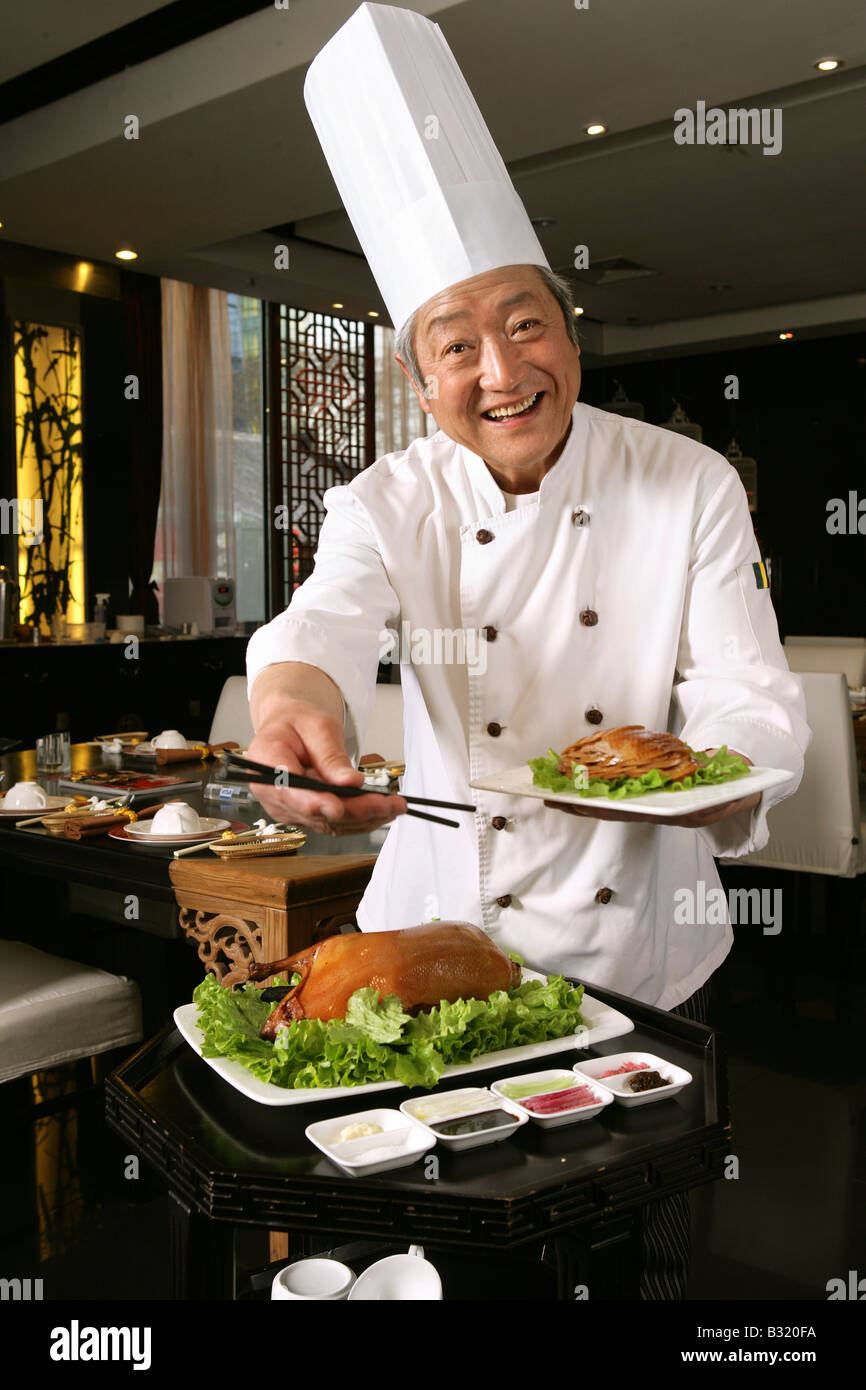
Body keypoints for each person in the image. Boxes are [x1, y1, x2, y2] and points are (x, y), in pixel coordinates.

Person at [245, 4, 809, 1297]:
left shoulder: (687, 482)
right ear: (416, 370)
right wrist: (290, 701)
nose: (501, 368)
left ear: (566, 324)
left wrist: (697, 774)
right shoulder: (388, 500)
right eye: (457, 343)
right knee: (435, 1234)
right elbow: (323, 619)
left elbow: (748, 699)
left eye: (526, 322)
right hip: (437, 940)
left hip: (648, 953)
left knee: (642, 1246)